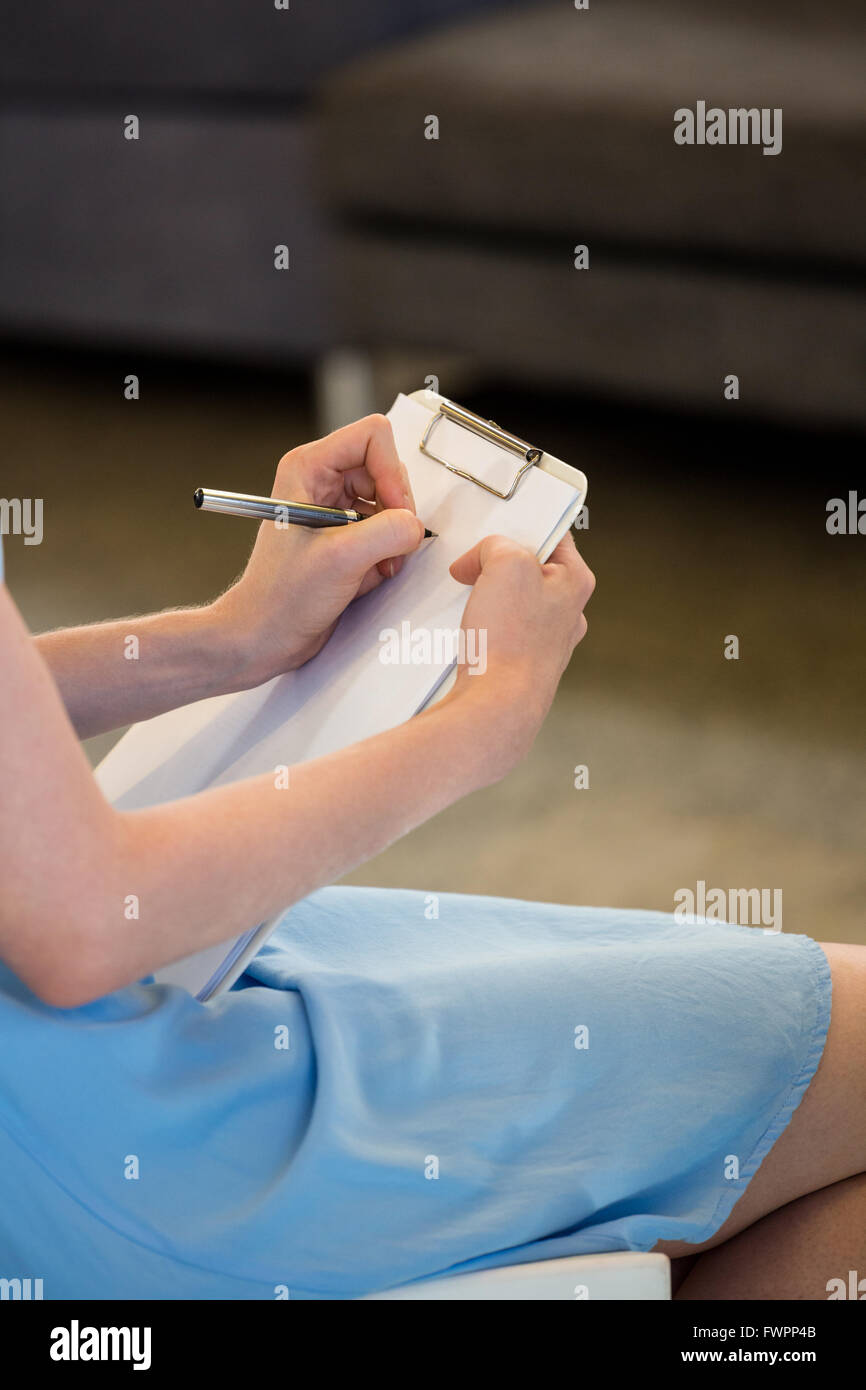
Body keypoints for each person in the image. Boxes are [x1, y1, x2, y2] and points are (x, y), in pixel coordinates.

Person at [0, 415, 860, 1301]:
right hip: (107, 1139)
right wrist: (487, 717)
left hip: (119, 985)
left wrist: (233, 637)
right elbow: (83, 925)